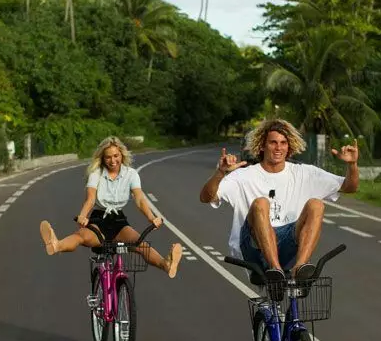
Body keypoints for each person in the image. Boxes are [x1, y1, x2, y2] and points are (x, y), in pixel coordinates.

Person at [199, 119, 359, 286]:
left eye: (283, 143)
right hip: (254, 246)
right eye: (273, 142)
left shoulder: (304, 173)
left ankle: (299, 268)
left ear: (289, 147)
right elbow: (206, 197)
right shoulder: (243, 176)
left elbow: (349, 187)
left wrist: (352, 165)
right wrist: (220, 173)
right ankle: (275, 270)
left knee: (316, 205)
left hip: (287, 243)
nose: (278, 148)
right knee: (261, 203)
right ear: (262, 145)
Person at [39, 136, 183, 278]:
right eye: (108, 157)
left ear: (122, 154)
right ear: (102, 158)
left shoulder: (131, 174)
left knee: (141, 244)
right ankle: (57, 245)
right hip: (98, 219)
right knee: (81, 236)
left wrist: (151, 217)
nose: (113, 161)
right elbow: (90, 199)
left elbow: (139, 198)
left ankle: (166, 264)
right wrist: (82, 216)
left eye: (116, 156)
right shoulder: (96, 174)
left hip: (119, 221)